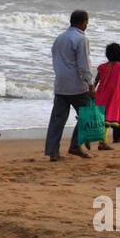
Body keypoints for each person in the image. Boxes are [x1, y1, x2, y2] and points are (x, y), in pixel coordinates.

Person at [44, 10, 95, 161]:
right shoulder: (81, 38)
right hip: (77, 86)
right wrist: (91, 84)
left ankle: (53, 152)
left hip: (60, 84)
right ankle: (74, 145)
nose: (87, 25)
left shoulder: (59, 38)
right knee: (87, 115)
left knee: (57, 120)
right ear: (82, 22)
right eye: (87, 22)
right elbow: (84, 65)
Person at [88, 43, 120, 151]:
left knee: (101, 119)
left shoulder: (102, 67)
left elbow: (96, 81)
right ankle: (102, 143)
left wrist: (91, 91)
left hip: (101, 94)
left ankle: (97, 140)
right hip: (114, 96)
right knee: (108, 119)